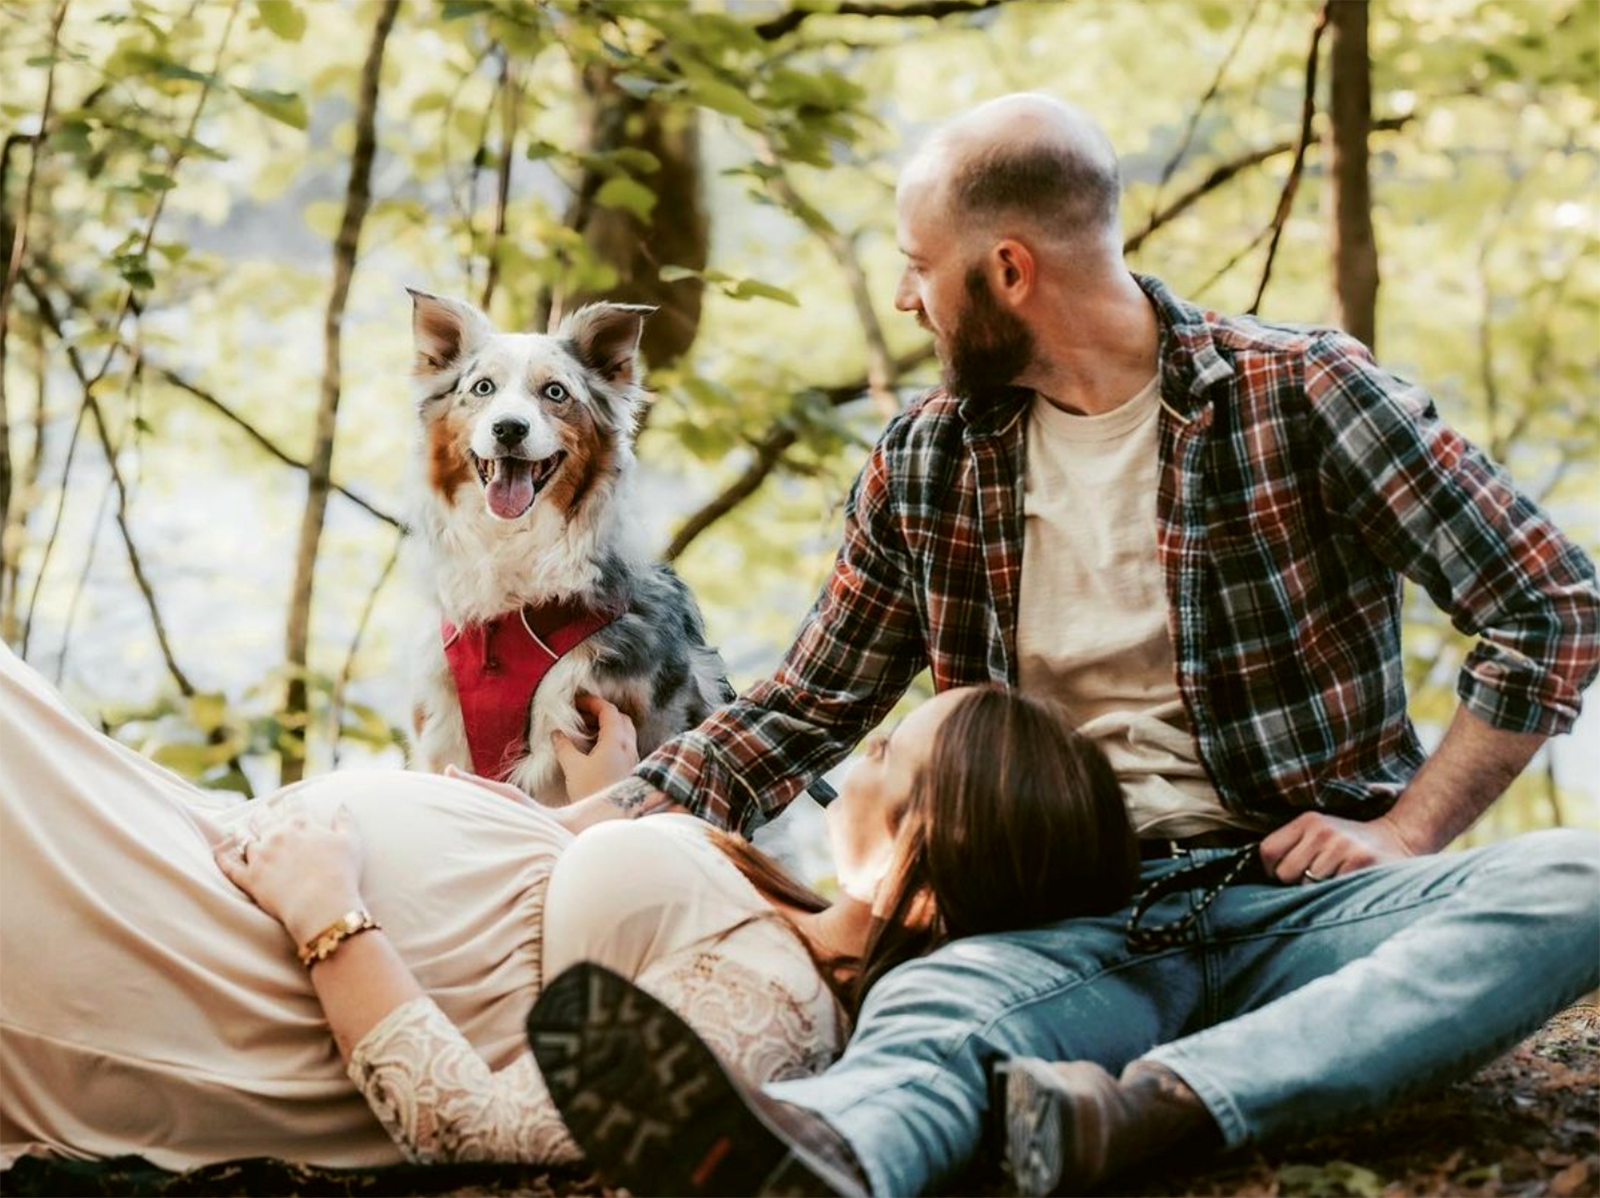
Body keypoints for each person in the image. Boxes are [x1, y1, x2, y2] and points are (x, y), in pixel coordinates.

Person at [534, 94, 1600, 1197]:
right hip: (1055, 928)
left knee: (1582, 878)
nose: (907, 296)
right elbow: (805, 709)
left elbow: (1551, 603)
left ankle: (1154, 1105)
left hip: (1303, 906)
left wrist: (1411, 829)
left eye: (918, 266)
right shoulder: (928, 461)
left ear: (1007, 271)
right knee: (932, 1018)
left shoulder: (1300, 395)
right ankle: (821, 1155)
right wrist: (567, 825)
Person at [0, 637, 1128, 1173]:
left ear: (933, 845)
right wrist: (602, 807)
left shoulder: (779, 1005)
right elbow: (607, 928)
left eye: (889, 750)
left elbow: (474, 1129)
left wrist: (328, 913)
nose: (864, 751)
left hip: (230, 972)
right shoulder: (785, 909)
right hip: (215, 863)